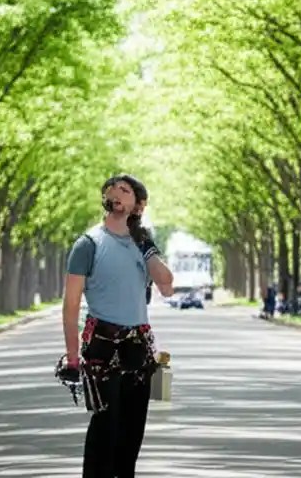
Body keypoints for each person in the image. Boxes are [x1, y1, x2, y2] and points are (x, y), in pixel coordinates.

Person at [61, 174, 174, 478]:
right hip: (102, 344)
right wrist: (72, 357)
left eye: (126, 191)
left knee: (132, 431)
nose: (117, 193)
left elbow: (166, 285)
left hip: (138, 346)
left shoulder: (143, 243)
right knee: (105, 427)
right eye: (113, 189)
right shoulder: (88, 244)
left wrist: (146, 245)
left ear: (138, 205)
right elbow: (71, 305)